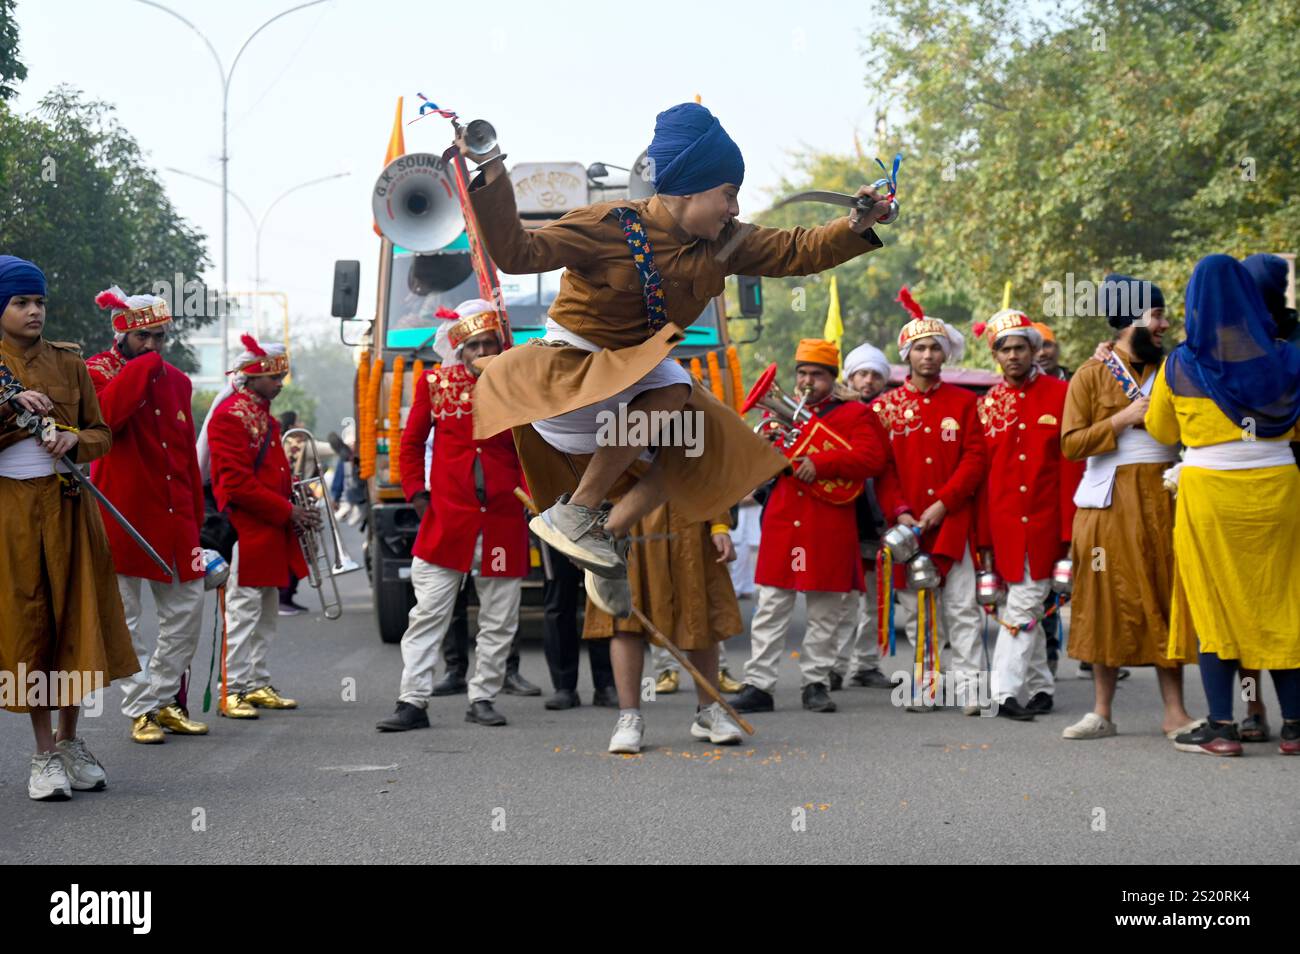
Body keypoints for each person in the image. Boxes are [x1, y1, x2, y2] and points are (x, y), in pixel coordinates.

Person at [462, 102, 895, 617]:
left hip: (636, 379)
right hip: (572, 376)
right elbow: (518, 255)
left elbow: (796, 250)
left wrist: (855, 223)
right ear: (689, 188)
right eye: (728, 194)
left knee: (703, 450)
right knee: (672, 390)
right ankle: (576, 512)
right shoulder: (608, 225)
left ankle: (607, 538)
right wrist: (490, 168)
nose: (735, 208)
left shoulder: (727, 242)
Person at [1145, 255, 1300, 756]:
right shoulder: (1287, 356)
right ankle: (1295, 727)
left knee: (1213, 601)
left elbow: (1162, 431)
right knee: (1284, 599)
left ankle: (1221, 725)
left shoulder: (1181, 364)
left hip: (1210, 494)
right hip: (1280, 489)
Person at [0, 256, 136, 800]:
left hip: (70, 504)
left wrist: (74, 439)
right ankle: (42, 756)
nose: (34, 312)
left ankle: (70, 741)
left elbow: (103, 433)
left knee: (76, 621)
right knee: (31, 625)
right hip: (12, 511)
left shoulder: (69, 363)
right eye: (20, 302)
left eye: (40, 303)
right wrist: (11, 415)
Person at [376, 300, 529, 731]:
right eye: (475, 345)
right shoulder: (434, 383)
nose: (483, 352)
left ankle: (482, 696)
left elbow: (534, 451)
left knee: (501, 617)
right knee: (428, 613)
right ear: (459, 349)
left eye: (490, 344)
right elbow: (410, 445)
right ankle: (412, 701)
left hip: (503, 519)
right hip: (447, 519)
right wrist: (416, 493)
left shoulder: (517, 386)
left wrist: (533, 502)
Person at [1060, 274, 1198, 741]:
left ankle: (1175, 712)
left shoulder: (1178, 369)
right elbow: (1071, 444)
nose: (1164, 324)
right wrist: (1120, 419)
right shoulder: (1090, 374)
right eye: (1156, 315)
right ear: (1131, 321)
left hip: (1165, 496)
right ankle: (1101, 712)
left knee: (1165, 595)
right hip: (1107, 503)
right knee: (1103, 599)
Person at [732, 339, 887, 715]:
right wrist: (763, 448)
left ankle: (815, 682)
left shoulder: (855, 415)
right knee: (771, 607)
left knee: (825, 612)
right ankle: (759, 685)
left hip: (828, 524)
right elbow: (754, 471)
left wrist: (822, 463)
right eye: (802, 373)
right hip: (785, 523)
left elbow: (872, 458)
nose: (806, 381)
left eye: (816, 375)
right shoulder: (778, 417)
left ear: (832, 379)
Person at [86, 287, 209, 744]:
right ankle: (141, 708)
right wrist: (140, 369)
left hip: (176, 519)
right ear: (122, 335)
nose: (155, 346)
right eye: (145, 338)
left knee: (187, 612)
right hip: (120, 516)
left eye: (160, 337)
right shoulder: (96, 372)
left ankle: (159, 700)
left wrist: (196, 521)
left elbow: (183, 453)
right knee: (125, 621)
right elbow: (103, 421)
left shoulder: (178, 380)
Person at [872, 289, 988, 712]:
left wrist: (943, 503)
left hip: (954, 523)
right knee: (919, 613)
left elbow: (975, 459)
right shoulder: (884, 408)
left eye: (934, 348)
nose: (927, 355)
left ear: (945, 355)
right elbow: (882, 469)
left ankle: (972, 690)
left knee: (962, 609)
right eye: (919, 348)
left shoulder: (965, 404)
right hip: (907, 528)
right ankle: (926, 687)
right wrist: (900, 510)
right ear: (907, 354)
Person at [973, 309, 1083, 720]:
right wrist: (982, 541)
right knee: (1020, 608)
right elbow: (982, 478)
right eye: (1006, 349)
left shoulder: (1062, 394)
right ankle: (1041, 686)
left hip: (1046, 527)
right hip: (1001, 528)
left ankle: (1002, 693)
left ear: (1035, 350)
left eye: (1021, 347)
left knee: (1021, 607)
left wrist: (1071, 535)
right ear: (996, 356)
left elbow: (1074, 468)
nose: (1014, 355)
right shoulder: (985, 407)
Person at [198, 334, 314, 719]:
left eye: (281, 376)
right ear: (252, 376)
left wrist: (293, 506)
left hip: (269, 529)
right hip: (247, 531)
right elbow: (234, 484)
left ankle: (256, 681)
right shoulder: (231, 415)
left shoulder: (263, 415)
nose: (280, 383)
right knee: (242, 612)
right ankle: (230, 689)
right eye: (274, 377)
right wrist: (287, 511)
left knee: (264, 614)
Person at [584, 499, 746, 753]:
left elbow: (710, 469)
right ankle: (629, 717)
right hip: (626, 517)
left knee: (698, 614)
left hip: (688, 516)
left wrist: (719, 526)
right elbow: (586, 467)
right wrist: (580, 529)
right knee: (625, 619)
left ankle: (709, 711)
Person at [830, 341, 896, 690]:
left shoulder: (891, 413)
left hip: (879, 519)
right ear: (850, 376)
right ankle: (834, 666)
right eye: (862, 374)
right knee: (842, 601)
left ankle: (866, 664)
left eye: (875, 375)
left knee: (874, 598)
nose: (868, 381)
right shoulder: (834, 413)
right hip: (844, 516)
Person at [543, 549, 619, 710]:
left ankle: (606, 684)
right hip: (555, 528)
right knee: (558, 604)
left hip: (597, 530)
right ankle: (564, 686)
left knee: (602, 601)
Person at [277, 410, 311, 616]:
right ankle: (283, 597)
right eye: (298, 421)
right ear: (291, 427)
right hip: (289, 503)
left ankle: (288, 596)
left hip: (297, 500)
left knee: (301, 550)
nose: (302, 422)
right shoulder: (286, 444)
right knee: (292, 549)